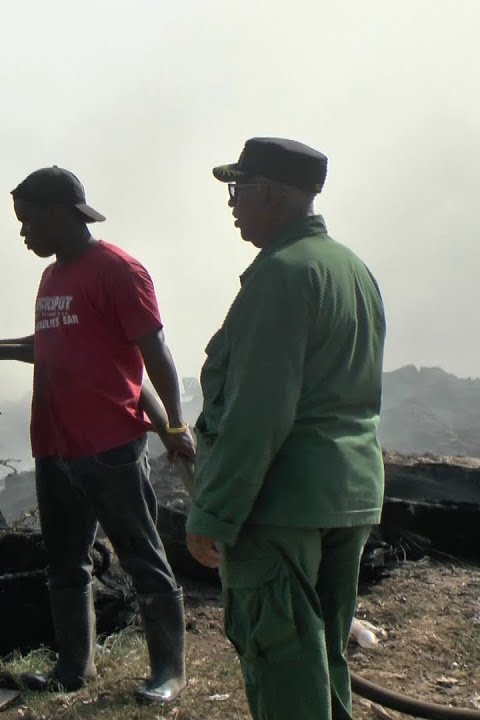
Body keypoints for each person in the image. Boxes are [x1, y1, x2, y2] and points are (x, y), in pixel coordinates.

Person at [0, 165, 195, 703]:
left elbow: (155, 352)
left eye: (28, 221)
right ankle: (73, 666)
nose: (23, 234)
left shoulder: (118, 270)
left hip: (109, 446)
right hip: (55, 443)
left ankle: (169, 674)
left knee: (141, 555)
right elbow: (50, 343)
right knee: (65, 560)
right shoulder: (53, 276)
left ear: (61, 215)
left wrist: (174, 426)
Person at [186, 137, 387, 720]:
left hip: (283, 506)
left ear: (270, 193)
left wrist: (213, 514)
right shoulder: (352, 268)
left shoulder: (281, 275)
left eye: (238, 188)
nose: (232, 203)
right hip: (347, 496)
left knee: (283, 672)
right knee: (323, 659)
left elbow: (257, 414)